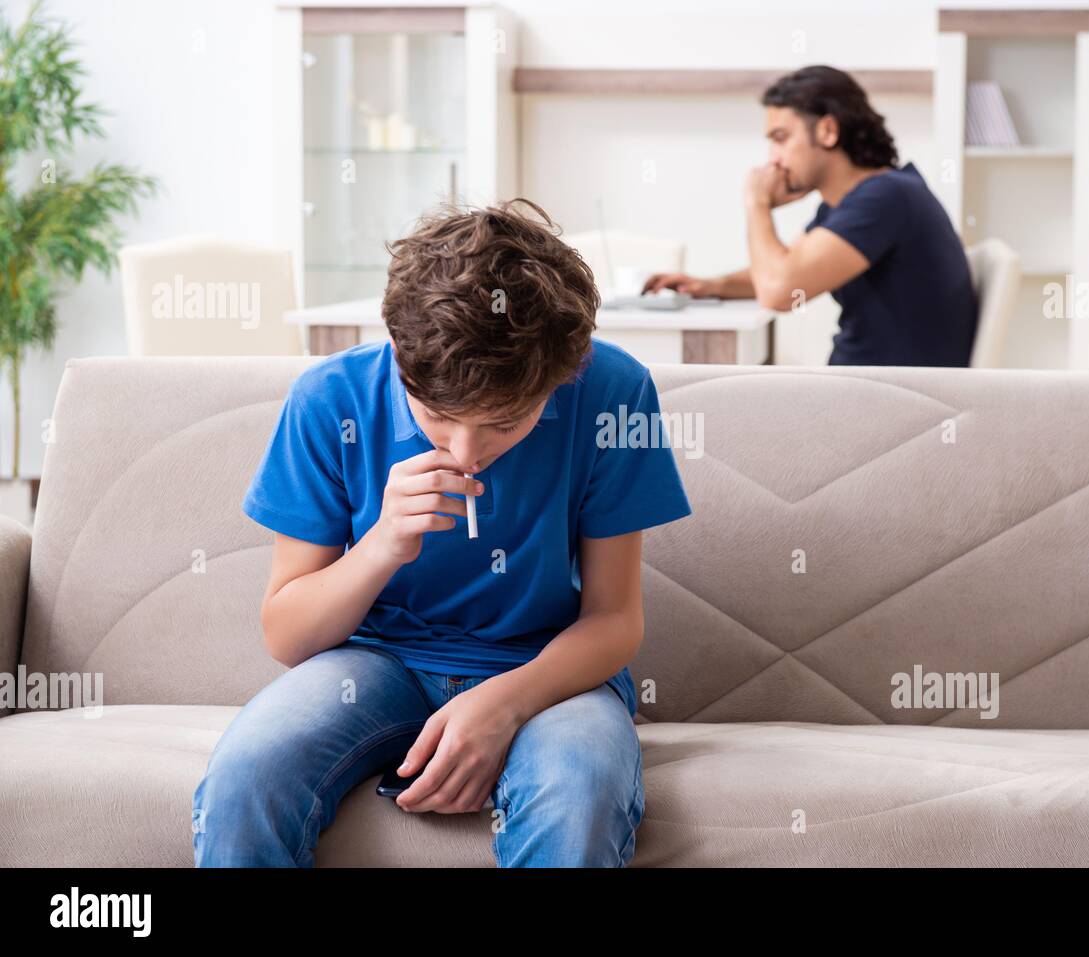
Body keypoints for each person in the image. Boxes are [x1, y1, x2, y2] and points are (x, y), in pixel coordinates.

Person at [192, 198, 693, 867]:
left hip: (550, 669)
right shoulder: (329, 399)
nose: (465, 452)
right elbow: (287, 634)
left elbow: (614, 619)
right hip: (373, 661)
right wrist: (381, 546)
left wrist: (505, 704)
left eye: (505, 423)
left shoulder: (613, 392)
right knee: (245, 778)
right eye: (437, 416)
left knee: (582, 791)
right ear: (399, 355)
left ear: (564, 373)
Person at [645, 64, 978, 367]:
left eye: (781, 138)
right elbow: (788, 267)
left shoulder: (885, 198)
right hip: (872, 393)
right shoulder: (861, 200)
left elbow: (778, 291)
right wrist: (711, 285)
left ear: (828, 131)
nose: (773, 159)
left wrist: (756, 202)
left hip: (885, 403)